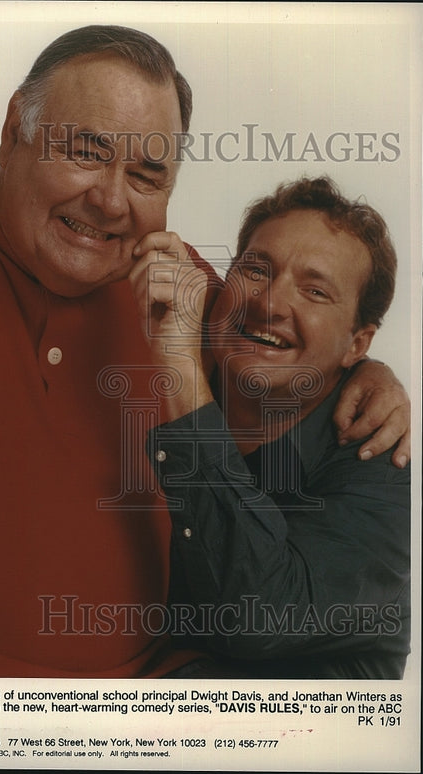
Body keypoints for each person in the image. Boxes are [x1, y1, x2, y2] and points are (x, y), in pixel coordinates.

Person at [0, 26, 409, 679]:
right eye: (85, 151)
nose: (109, 199)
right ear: (12, 130)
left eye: (145, 175)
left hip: (158, 703)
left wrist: (372, 375)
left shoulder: (173, 281)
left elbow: (282, 339)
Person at [129, 176, 410, 678]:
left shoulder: (381, 469)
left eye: (315, 291)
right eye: (256, 270)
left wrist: (180, 370)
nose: (270, 303)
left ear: (356, 345)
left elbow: (254, 616)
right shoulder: (192, 318)